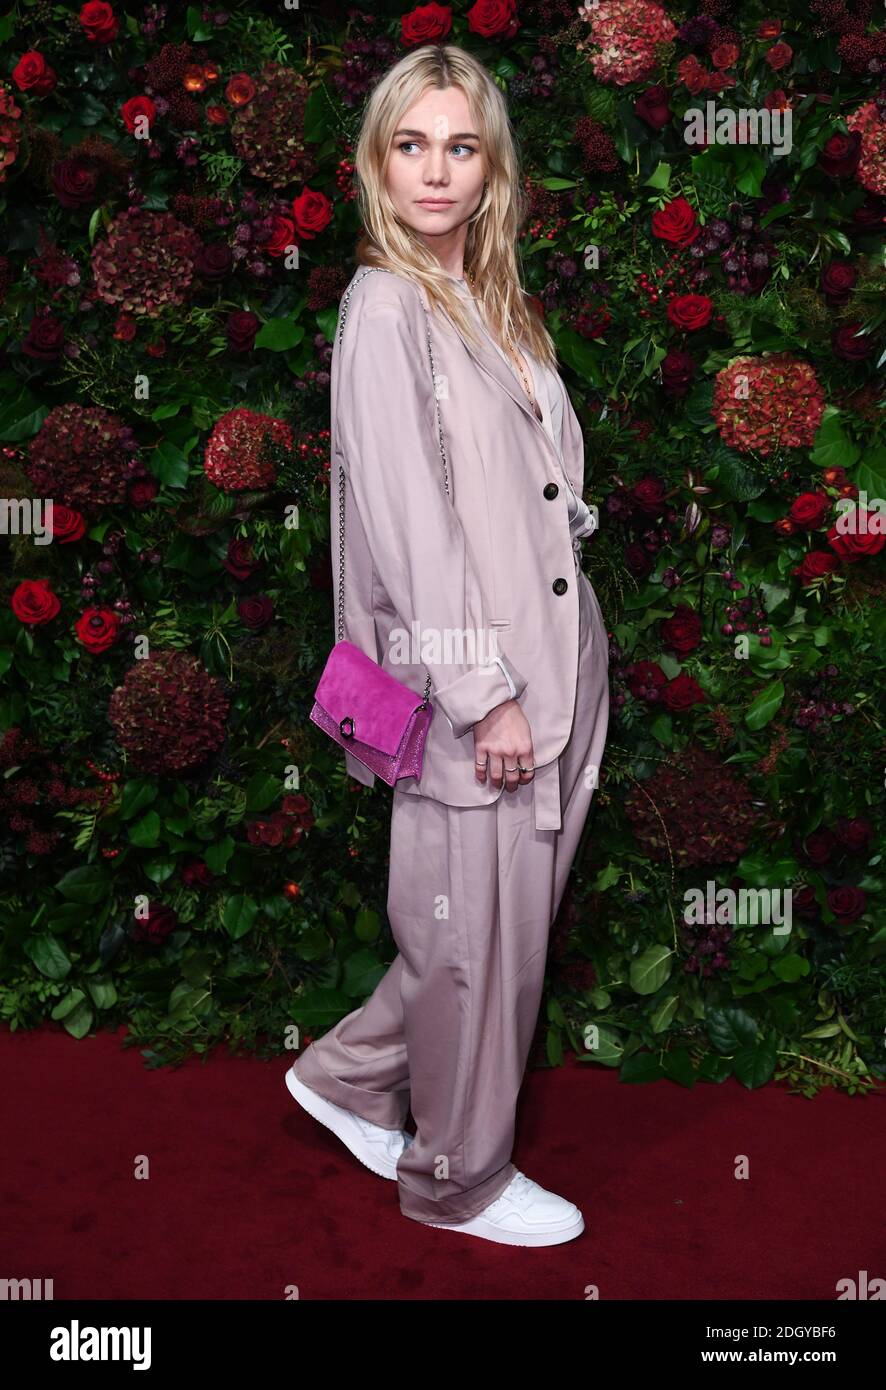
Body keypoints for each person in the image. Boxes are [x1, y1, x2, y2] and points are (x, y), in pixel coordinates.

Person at [285, 43, 610, 1248]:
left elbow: (510, 476)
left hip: (557, 660)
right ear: (378, 160)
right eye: (410, 145)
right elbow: (410, 529)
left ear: (490, 167)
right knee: (473, 945)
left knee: (481, 930)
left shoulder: (487, 293)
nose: (435, 170)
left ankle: (344, 1078)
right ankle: (455, 1180)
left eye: (459, 145)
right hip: (481, 686)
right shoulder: (384, 309)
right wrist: (486, 695)